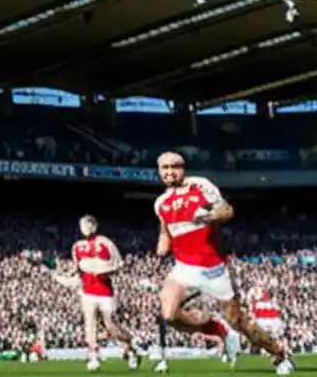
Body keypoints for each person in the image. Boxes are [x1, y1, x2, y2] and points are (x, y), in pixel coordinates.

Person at [152, 151, 293, 375]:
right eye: (165, 168)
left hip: (212, 268)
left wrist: (209, 216)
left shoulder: (199, 186)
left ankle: (279, 354)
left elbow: (227, 210)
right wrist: (162, 245)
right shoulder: (160, 203)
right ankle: (219, 331)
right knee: (168, 315)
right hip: (183, 268)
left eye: (174, 167)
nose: (170, 172)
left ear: (183, 168)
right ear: (159, 172)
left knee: (239, 321)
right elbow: (165, 230)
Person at [67, 215, 140, 370]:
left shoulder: (105, 243)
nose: (83, 228)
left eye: (86, 225)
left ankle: (131, 347)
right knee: (90, 324)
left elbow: (118, 263)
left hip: (105, 292)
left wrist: (106, 272)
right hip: (87, 292)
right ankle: (94, 356)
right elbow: (77, 269)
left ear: (94, 226)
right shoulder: (77, 246)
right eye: (81, 225)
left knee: (111, 326)